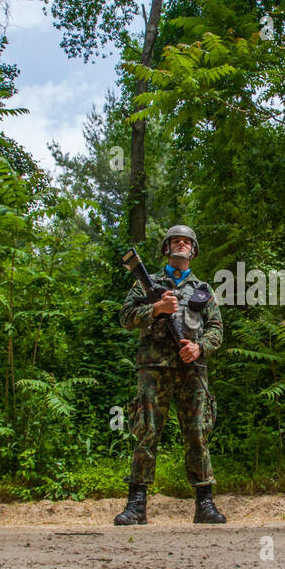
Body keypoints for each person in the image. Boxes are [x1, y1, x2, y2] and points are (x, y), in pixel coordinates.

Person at [117, 225, 225, 525]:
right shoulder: (147, 283)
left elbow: (217, 330)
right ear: (167, 248)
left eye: (187, 241)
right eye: (176, 240)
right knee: (146, 430)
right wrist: (155, 309)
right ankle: (136, 505)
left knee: (198, 433)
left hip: (192, 369)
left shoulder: (203, 289)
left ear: (193, 250)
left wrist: (199, 348)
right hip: (154, 367)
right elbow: (124, 317)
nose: (181, 244)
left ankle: (205, 504)